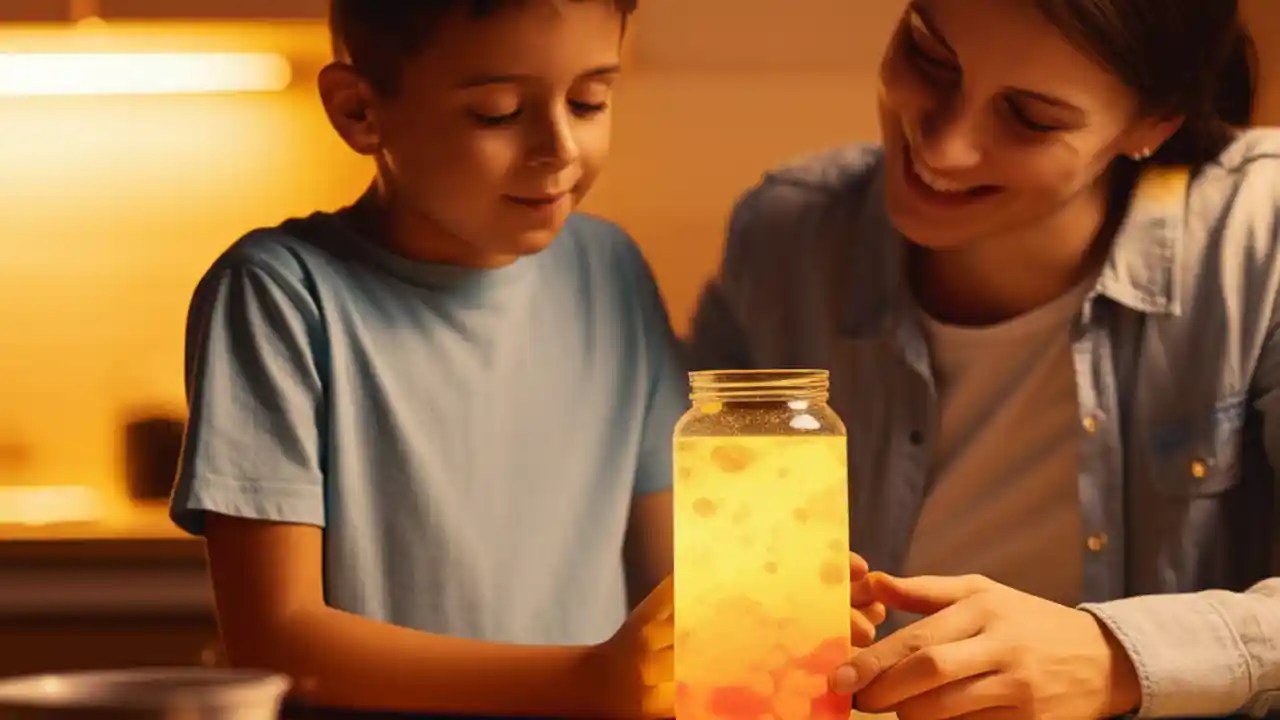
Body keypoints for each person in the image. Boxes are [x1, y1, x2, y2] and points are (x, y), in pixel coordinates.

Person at [689, 0, 1280, 717]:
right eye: (930, 58)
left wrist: (1114, 655)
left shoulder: (1257, 240)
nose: (943, 147)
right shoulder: (788, 238)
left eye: (1031, 117)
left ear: (1151, 125)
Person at [167, 2, 689, 716]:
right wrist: (585, 680)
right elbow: (274, 636)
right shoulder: (281, 295)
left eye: (588, 100)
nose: (560, 147)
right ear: (359, 111)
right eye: (499, 113)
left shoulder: (613, 273)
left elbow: (674, 586)